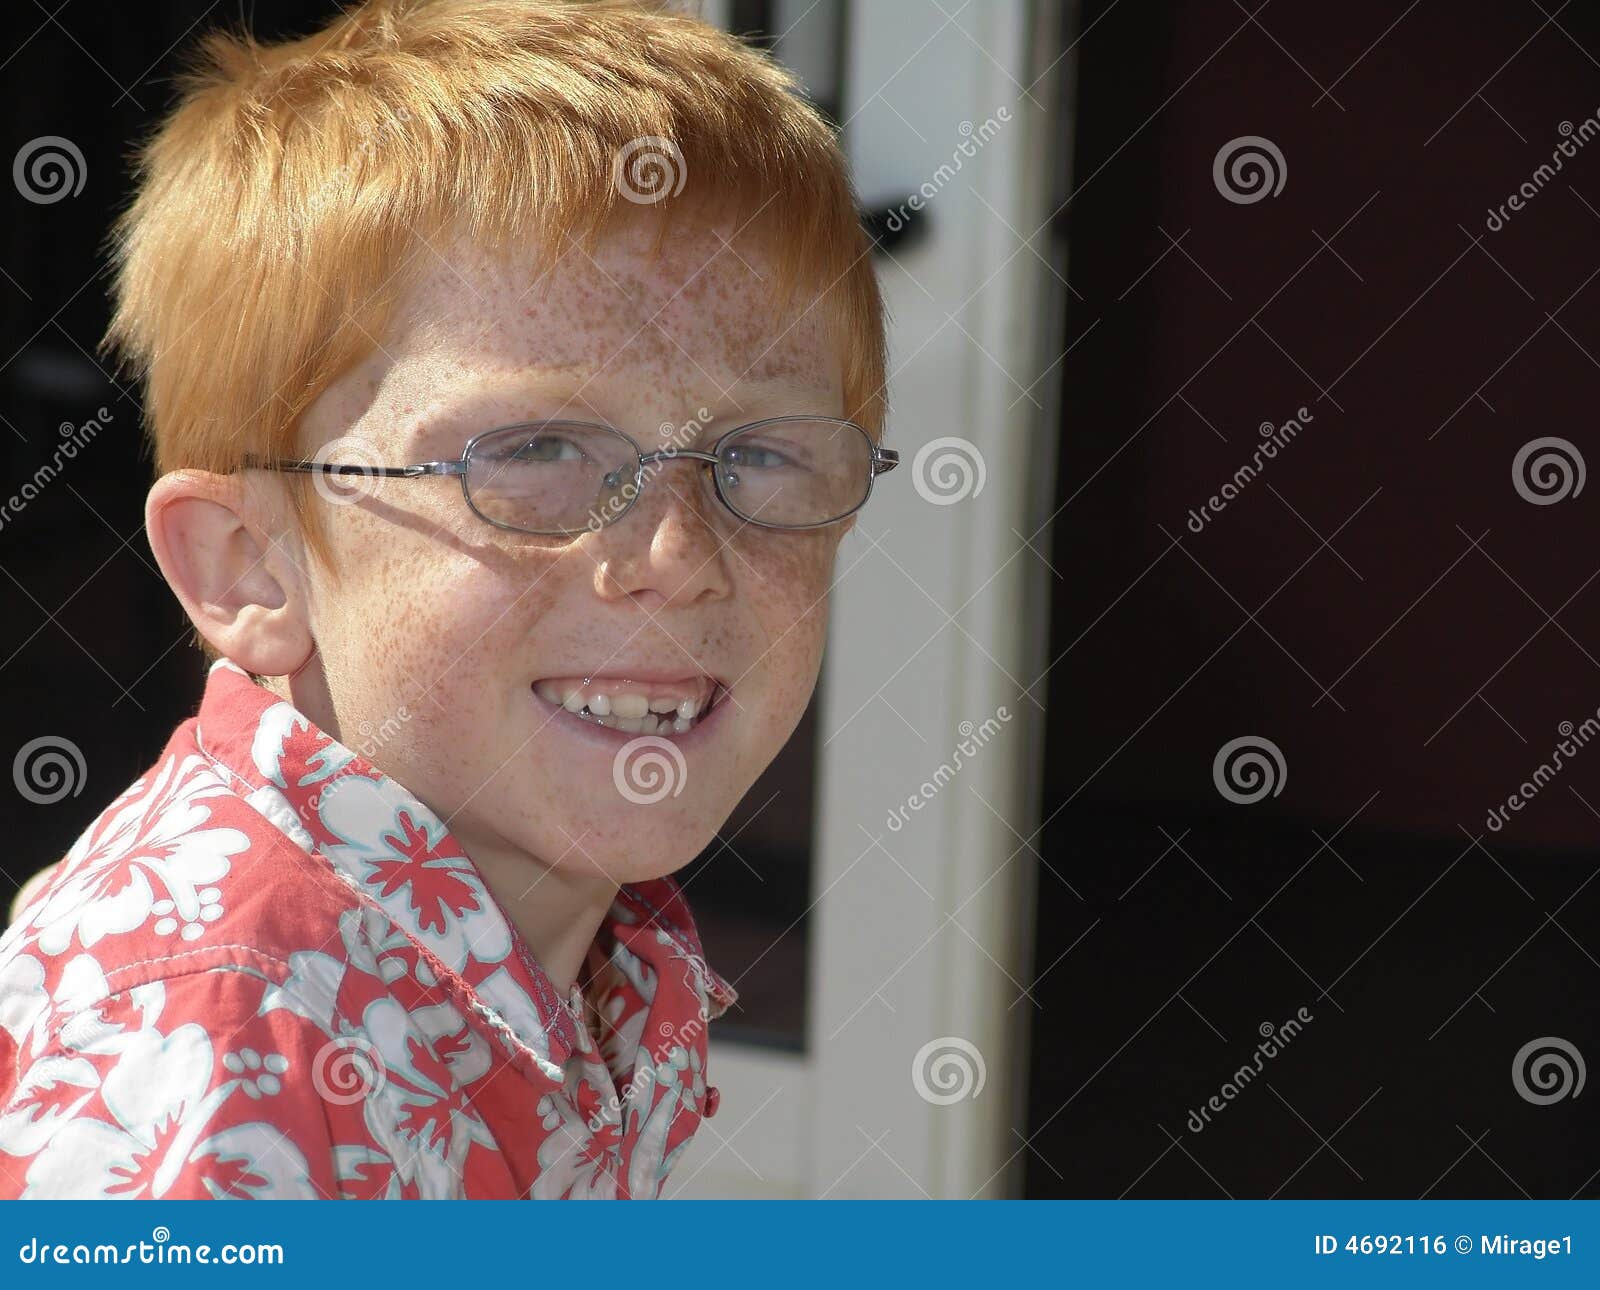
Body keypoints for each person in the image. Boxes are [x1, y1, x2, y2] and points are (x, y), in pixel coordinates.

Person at [0, 0, 891, 1199]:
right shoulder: (226, 1048)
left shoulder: (528, 918)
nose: (678, 555)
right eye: (533, 453)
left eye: (762, 457)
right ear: (249, 566)